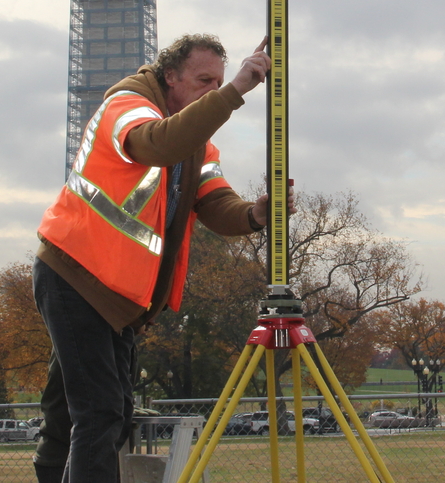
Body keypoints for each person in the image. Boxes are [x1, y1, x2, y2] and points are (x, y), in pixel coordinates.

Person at [33, 33, 277, 483]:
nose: (213, 88)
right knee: (100, 411)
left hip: (119, 298)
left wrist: (254, 215)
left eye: (218, 80)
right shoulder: (126, 106)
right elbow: (155, 144)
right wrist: (236, 90)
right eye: (203, 79)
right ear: (170, 77)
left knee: (96, 411)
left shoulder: (197, 141)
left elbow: (216, 204)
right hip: (75, 276)